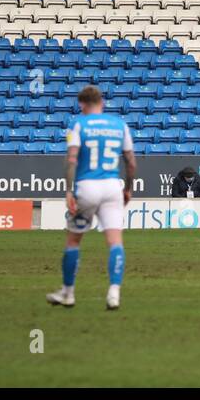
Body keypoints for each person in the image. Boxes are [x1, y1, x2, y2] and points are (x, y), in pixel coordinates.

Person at [47, 85, 136, 311]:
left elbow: (72, 159)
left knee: (74, 240)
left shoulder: (79, 124)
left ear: (82, 105)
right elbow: (131, 162)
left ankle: (68, 293)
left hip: (87, 187)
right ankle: (114, 293)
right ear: (102, 102)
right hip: (112, 186)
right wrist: (128, 189)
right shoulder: (119, 125)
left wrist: (68, 190)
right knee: (115, 241)